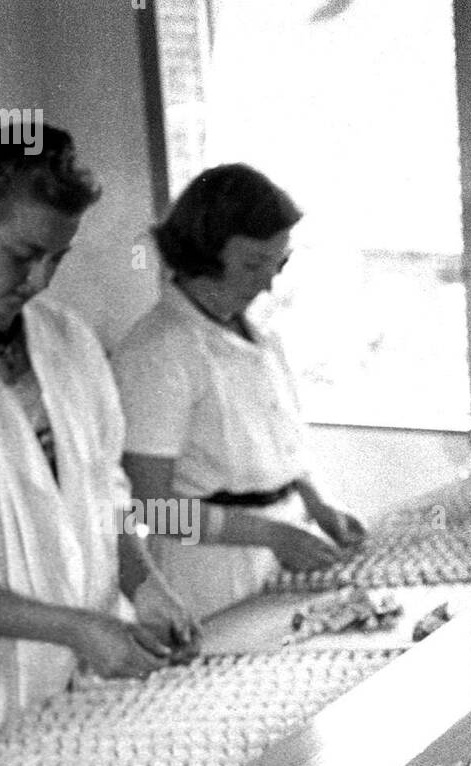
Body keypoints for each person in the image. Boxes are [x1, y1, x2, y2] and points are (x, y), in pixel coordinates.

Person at [0, 125, 198, 746]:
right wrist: (77, 628)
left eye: (58, 257)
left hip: (85, 690)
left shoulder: (68, 340)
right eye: (24, 254)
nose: (40, 280)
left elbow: (107, 495)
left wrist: (144, 585)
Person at [111, 163, 366, 620]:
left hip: (285, 546)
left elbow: (281, 454)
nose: (270, 283)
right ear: (204, 252)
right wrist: (272, 535)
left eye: (279, 263)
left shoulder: (262, 339)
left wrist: (317, 503)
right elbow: (151, 508)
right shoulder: (158, 351)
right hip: (210, 575)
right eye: (253, 264)